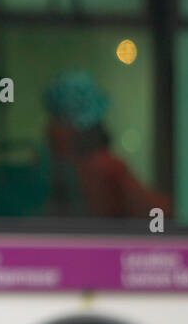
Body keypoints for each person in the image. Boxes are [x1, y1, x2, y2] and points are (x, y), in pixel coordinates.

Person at [43, 70, 170, 219]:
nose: (50, 130)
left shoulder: (104, 168)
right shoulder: (104, 167)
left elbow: (155, 209)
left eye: (57, 121)